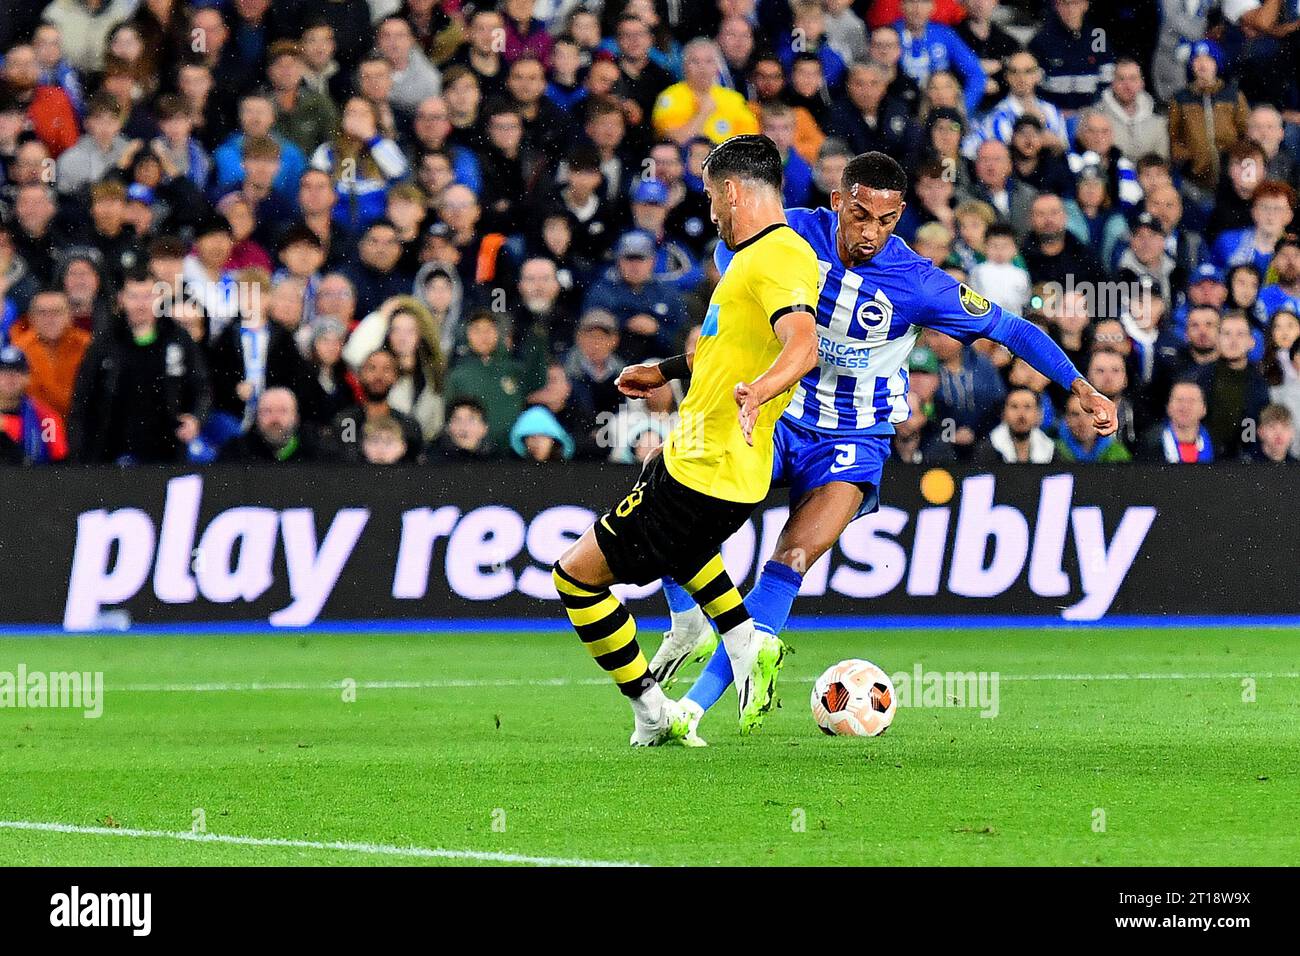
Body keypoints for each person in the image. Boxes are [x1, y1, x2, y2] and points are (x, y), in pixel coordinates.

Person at [641, 151, 1116, 743]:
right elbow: (726, 254)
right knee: (665, 477)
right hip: (777, 414)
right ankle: (687, 621)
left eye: (885, 222)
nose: (870, 233)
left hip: (853, 437)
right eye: (860, 215)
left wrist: (1080, 385)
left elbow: (1012, 330)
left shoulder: (918, 282)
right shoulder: (787, 233)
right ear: (838, 202)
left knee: (790, 559)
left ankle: (689, 709)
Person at [553, 135, 819, 747]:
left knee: (575, 578)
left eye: (710, 197)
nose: (711, 211)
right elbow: (731, 351)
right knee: (682, 544)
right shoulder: (756, 258)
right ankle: (738, 640)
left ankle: (663, 700)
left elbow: (801, 345)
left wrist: (760, 390)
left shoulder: (775, 257)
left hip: (710, 461)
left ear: (731, 191)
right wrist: (670, 368)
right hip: (711, 460)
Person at [68, 269, 210, 464]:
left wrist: (195, 418)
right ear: (121, 299)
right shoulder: (105, 342)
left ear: (160, 297)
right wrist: (81, 448)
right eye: (134, 296)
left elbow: (201, 386)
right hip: (112, 449)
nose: (141, 304)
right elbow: (82, 398)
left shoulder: (176, 338)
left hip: (168, 447)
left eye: (147, 296)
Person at [216, 386, 330, 463]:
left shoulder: (317, 453)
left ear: (296, 417)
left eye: (282, 411)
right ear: (257, 417)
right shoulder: (236, 453)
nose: (275, 418)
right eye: (267, 411)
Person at [0, 343, 66, 464]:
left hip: (31, 480)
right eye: (3, 372)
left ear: (28, 377)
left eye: (17, 371)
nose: (10, 377)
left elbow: (59, 466)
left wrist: (9, 426)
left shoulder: (47, 419)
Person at [975, 387, 1056, 463]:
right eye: (1014, 407)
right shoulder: (987, 450)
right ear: (1003, 414)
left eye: (1027, 407)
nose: (1021, 414)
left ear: (1039, 415)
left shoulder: (1050, 450)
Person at [1054, 392, 1132, 463]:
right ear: (1066, 419)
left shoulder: (1117, 453)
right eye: (1075, 414)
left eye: (1089, 413)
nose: (1083, 422)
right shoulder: (1052, 452)